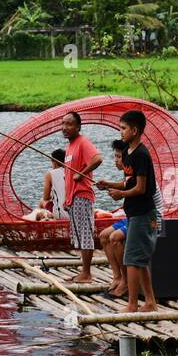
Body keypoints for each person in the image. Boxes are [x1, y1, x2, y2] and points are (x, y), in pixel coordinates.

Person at [105, 109, 160, 313]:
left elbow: (141, 188)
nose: (121, 132)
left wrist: (121, 195)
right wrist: (109, 184)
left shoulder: (141, 155)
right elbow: (128, 182)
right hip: (133, 214)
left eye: (124, 128)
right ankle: (151, 303)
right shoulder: (128, 153)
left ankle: (132, 304)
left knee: (132, 260)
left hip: (143, 214)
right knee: (140, 260)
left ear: (135, 130)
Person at [60, 110, 103, 283]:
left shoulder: (83, 142)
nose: (65, 127)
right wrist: (66, 198)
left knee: (85, 233)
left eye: (69, 124)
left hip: (83, 194)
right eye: (63, 124)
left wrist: (82, 173)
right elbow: (68, 176)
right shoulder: (69, 146)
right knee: (78, 234)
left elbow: (98, 159)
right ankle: (83, 271)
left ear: (78, 127)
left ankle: (87, 273)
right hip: (73, 197)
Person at [97, 140, 130, 296]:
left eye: (118, 157)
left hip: (145, 219)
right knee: (103, 235)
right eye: (115, 156)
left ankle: (126, 280)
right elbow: (124, 185)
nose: (115, 160)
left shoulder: (136, 171)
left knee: (115, 237)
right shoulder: (128, 173)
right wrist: (107, 185)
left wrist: (120, 194)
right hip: (130, 217)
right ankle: (117, 277)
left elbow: (136, 191)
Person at [20, 148, 68, 221]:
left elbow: (46, 197)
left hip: (61, 215)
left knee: (42, 201)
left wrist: (53, 195)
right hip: (74, 213)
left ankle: (42, 223)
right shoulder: (72, 172)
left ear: (54, 162)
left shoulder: (50, 174)